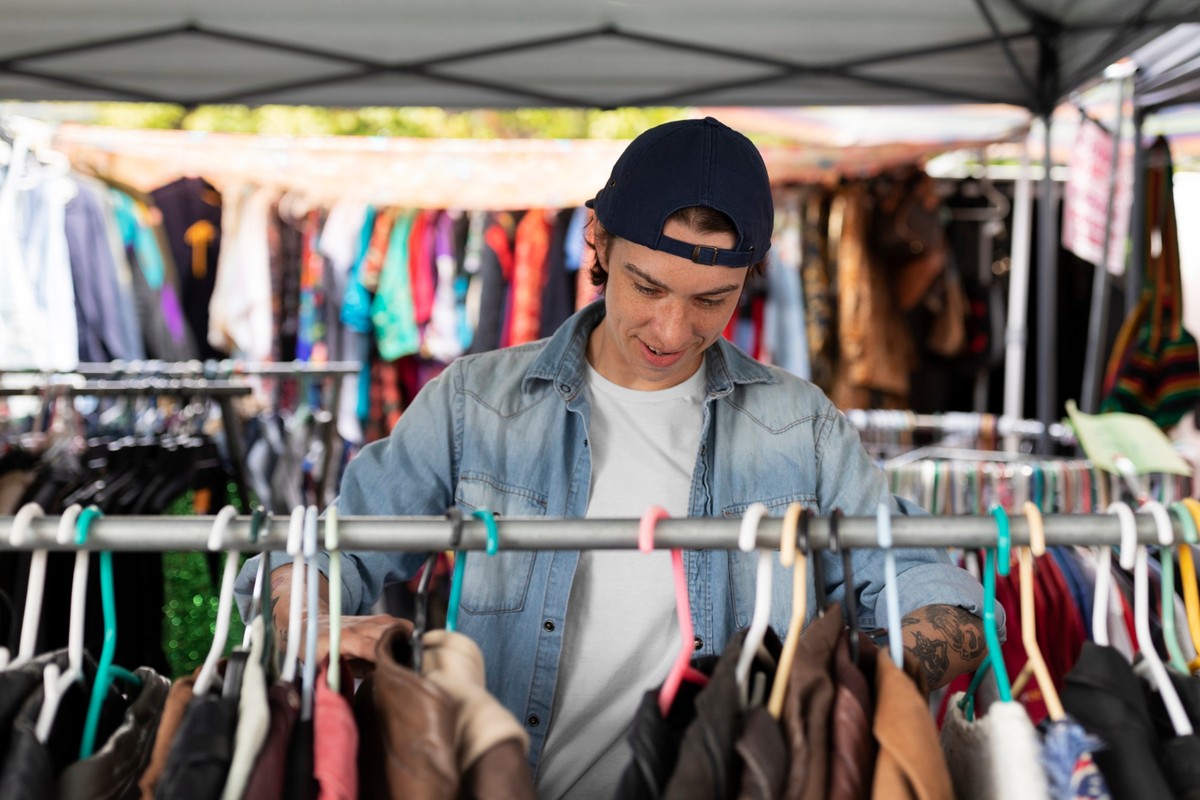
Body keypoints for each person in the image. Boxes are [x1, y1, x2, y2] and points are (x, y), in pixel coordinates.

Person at [235, 116, 997, 798]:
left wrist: (840, 682)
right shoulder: (476, 405)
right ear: (597, 241)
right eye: (647, 286)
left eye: (711, 300)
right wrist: (311, 618)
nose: (671, 328)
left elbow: (943, 594)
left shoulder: (801, 427)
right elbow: (326, 552)